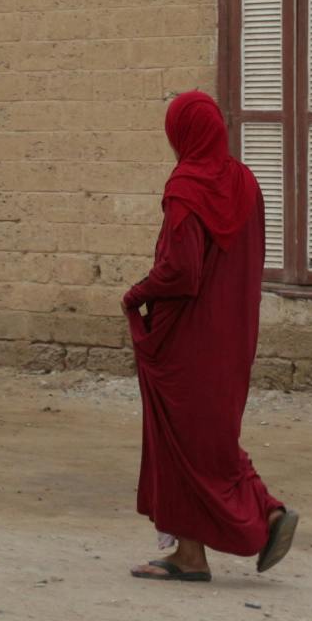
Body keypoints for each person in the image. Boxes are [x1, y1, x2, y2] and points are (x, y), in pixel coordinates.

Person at [121, 91, 299, 582]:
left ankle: (249, 523)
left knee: (182, 438)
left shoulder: (186, 187)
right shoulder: (245, 182)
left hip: (188, 337)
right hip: (233, 333)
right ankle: (215, 539)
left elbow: (181, 271)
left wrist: (136, 294)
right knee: (210, 437)